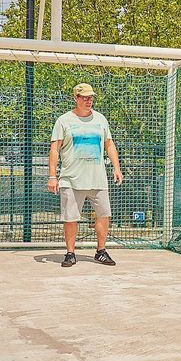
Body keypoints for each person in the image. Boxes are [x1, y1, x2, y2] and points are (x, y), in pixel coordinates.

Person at [47, 82, 124, 267]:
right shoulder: (64, 120)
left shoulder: (100, 119)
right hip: (71, 179)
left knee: (103, 214)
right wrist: (52, 176)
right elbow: (55, 149)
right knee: (71, 217)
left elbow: (109, 144)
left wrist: (117, 167)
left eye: (91, 98)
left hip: (98, 178)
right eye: (84, 97)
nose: (89, 101)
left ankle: (101, 251)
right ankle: (70, 253)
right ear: (75, 98)